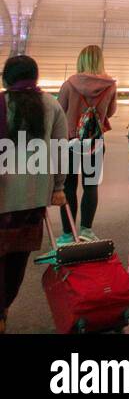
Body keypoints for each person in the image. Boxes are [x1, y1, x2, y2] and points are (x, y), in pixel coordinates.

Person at [0, 56, 67, 333]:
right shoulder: (51, 104)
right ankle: (3, 308)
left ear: (6, 77)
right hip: (32, 198)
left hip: (2, 194)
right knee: (16, 258)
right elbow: (61, 149)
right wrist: (59, 187)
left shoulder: (0, 103)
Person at [56, 44, 117, 243]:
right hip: (95, 141)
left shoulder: (69, 84)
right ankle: (86, 231)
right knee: (91, 186)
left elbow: (60, 110)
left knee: (69, 187)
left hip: (71, 141)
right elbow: (110, 112)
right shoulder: (110, 85)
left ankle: (67, 233)